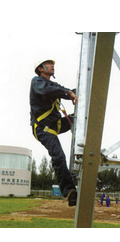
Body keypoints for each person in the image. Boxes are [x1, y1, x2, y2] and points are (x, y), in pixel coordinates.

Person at [30, 59, 78, 206]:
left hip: (55, 125)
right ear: (40, 68)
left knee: (78, 119)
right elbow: (46, 90)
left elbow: (63, 89)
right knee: (58, 156)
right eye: (49, 64)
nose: (52, 66)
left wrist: (77, 93)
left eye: (53, 64)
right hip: (43, 128)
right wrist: (68, 93)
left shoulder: (53, 85)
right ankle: (69, 191)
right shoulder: (37, 82)